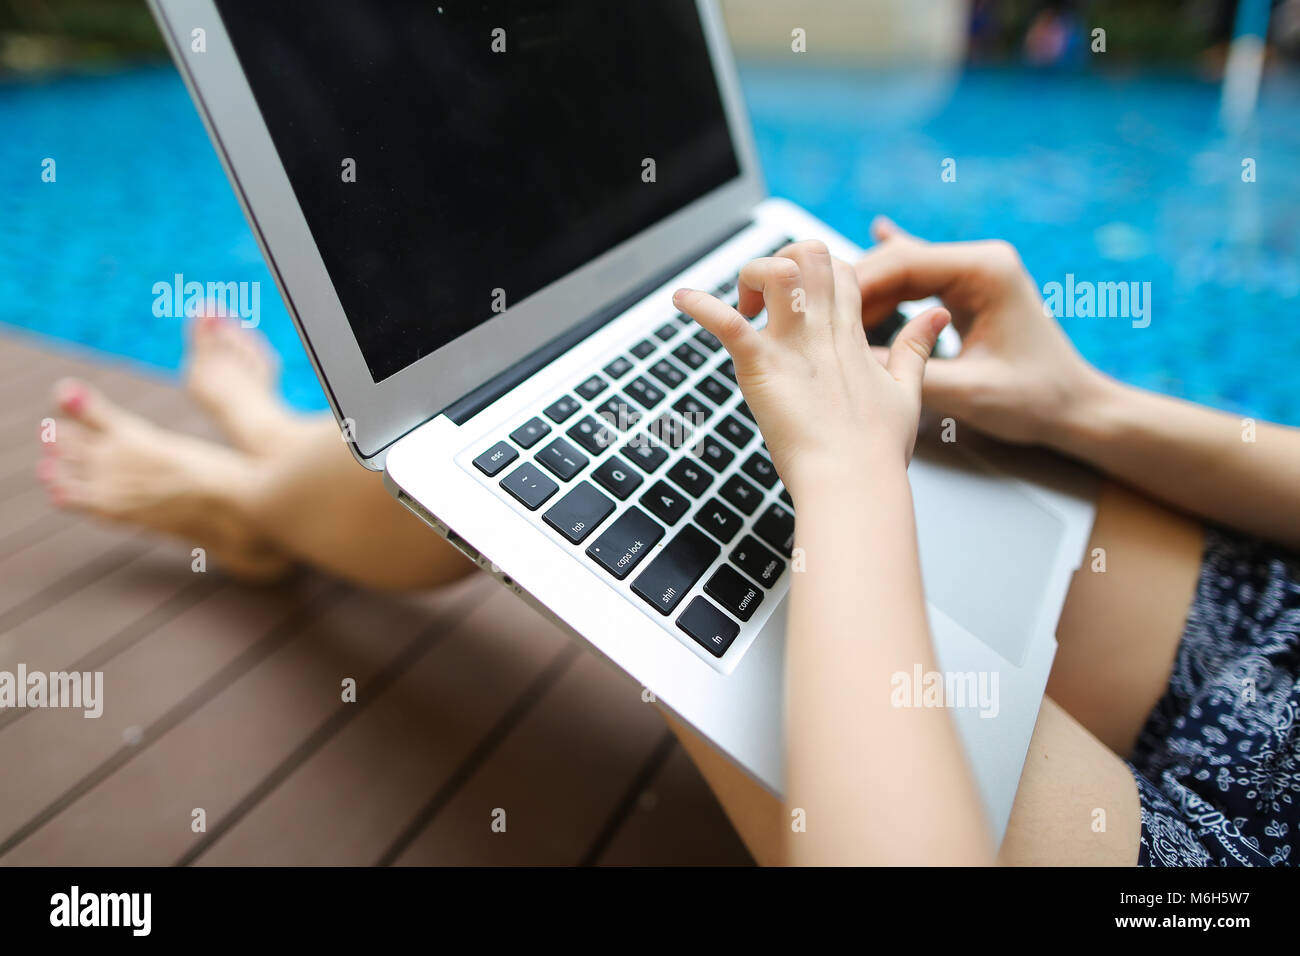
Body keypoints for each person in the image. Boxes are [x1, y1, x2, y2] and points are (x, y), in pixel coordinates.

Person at [40, 218, 1300, 866]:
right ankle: (269, 470)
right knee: (621, 377)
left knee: (632, 456)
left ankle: (255, 488)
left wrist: (845, 481)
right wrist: (1086, 404)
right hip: (1272, 619)